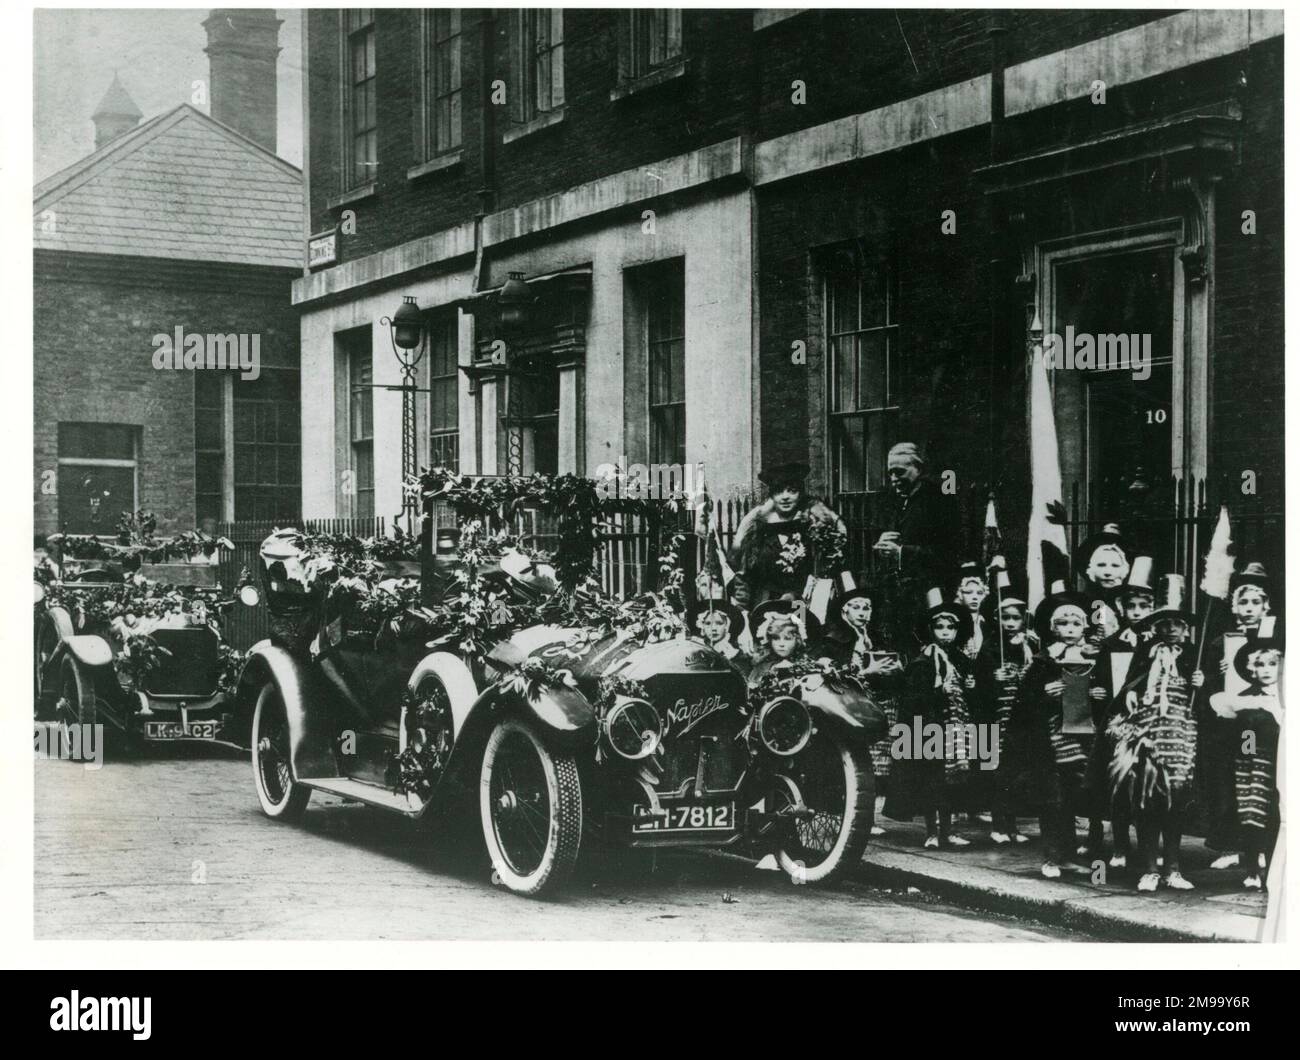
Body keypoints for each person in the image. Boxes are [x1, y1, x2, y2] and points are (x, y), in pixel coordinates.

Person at [1107, 575, 1205, 893]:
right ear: (1157, 626)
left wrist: (1201, 685)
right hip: (1147, 736)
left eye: (1177, 623)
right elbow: (1130, 687)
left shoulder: (1194, 656)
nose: (1171, 629)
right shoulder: (1147, 652)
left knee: (1176, 805)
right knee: (1147, 802)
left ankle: (1173, 867)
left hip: (1181, 738)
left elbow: (1206, 703)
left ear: (1185, 628)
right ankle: (1150, 868)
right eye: (1165, 623)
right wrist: (1132, 701)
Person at [1006, 581, 1109, 879]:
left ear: (1084, 626)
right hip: (1052, 739)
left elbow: (1106, 691)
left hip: (1085, 737)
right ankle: (1052, 857)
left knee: (1075, 796)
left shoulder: (1094, 657)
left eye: (1076, 622)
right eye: (1063, 623)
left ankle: (1069, 855)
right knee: (1053, 797)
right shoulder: (1043, 660)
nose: (1070, 628)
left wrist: (1099, 695)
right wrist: (1044, 693)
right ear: (1053, 628)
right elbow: (1023, 701)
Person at [884, 587, 976, 849]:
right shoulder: (924, 661)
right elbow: (914, 699)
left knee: (954, 781)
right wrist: (938, 692)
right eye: (940, 627)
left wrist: (970, 686)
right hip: (931, 729)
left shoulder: (961, 660)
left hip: (957, 725)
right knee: (931, 780)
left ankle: (951, 830)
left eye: (950, 627)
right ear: (931, 630)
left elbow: (973, 693)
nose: (946, 632)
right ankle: (932, 831)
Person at [1201, 562, 1277, 870]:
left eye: (1255, 602)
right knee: (1230, 782)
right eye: (1243, 602)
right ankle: (1230, 846)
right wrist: (1218, 674)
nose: (1248, 608)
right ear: (1235, 607)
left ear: (1265, 606)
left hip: (1260, 725)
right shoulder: (1223, 642)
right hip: (1230, 724)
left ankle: (1258, 848)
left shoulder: (1274, 638)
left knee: (1259, 782)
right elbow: (1206, 681)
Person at [1085, 556, 1156, 868]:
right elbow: (1101, 680)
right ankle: (1120, 847)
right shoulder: (1114, 643)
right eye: (1132, 606)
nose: (1137, 612)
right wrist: (1096, 692)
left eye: (1143, 606)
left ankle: (1147, 845)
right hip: (1117, 723)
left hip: (1150, 722)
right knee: (1116, 783)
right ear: (1123, 609)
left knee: (1145, 785)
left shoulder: (1158, 643)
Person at [822, 573, 905, 833]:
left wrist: (896, 669)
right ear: (845, 611)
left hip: (876, 702)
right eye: (856, 607)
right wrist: (867, 672)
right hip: (848, 704)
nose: (862, 613)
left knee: (876, 762)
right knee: (857, 760)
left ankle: (868, 818)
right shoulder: (834, 639)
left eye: (866, 607)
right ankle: (858, 819)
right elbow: (831, 673)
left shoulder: (876, 636)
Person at [1208, 632, 1283, 890]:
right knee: (1256, 815)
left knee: (1280, 817)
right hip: (1257, 764)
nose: (1266, 670)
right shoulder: (1246, 699)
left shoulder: (1287, 696)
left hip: (1285, 761)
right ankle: (1253, 870)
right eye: (1260, 664)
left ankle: (1278, 870)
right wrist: (1250, 745)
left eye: (1272, 664)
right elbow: (1244, 739)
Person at [971, 573, 1038, 844]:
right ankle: (999, 825)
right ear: (997, 619)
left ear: (1023, 619)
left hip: (1019, 717)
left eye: (1015, 618)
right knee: (997, 772)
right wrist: (992, 678)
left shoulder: (1029, 645)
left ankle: (1013, 826)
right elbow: (978, 686)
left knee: (1015, 771)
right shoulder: (990, 648)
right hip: (995, 718)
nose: (1010, 623)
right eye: (1005, 618)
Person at [730, 460, 847, 608]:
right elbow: (745, 577)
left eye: (792, 490)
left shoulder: (816, 530)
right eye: (779, 491)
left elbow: (828, 572)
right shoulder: (758, 532)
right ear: (772, 497)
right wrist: (742, 609)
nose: (785, 497)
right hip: (766, 605)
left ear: (800, 494)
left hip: (805, 604)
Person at [1075, 522, 1132, 645]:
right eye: (1101, 565)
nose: (1107, 573)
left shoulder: (1131, 602)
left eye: (1115, 566)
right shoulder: (1085, 601)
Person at [746, 599, 821, 686]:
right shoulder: (761, 668)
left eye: (788, 638)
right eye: (776, 638)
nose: (781, 644)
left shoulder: (807, 666)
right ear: (768, 640)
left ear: (798, 640)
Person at [686, 600, 750, 677]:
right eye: (708, 623)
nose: (713, 628)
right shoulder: (696, 653)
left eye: (719, 623)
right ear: (701, 626)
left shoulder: (736, 655)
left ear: (727, 626)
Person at [954, 561, 991, 660]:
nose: (974, 597)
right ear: (960, 594)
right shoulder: (954, 620)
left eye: (979, 593)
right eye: (968, 592)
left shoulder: (987, 623)